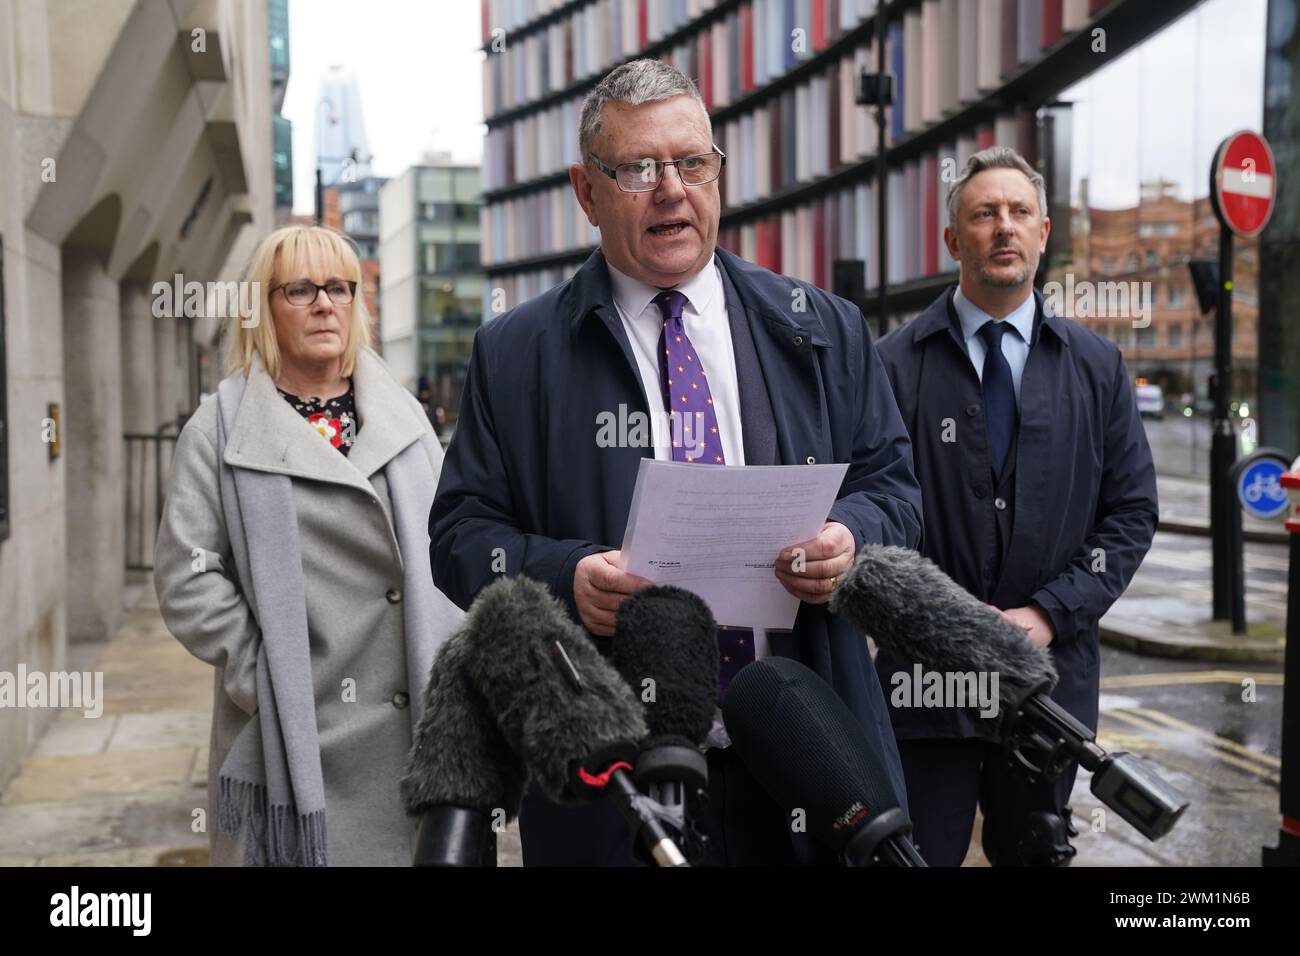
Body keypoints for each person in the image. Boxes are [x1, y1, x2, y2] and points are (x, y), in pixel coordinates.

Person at [429, 59, 922, 865]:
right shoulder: (515, 354)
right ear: (586, 191)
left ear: (717, 174)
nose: (671, 189)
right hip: (613, 783)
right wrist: (568, 576)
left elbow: (894, 490)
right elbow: (459, 536)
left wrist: (849, 538)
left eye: (692, 162)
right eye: (638, 168)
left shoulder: (821, 329)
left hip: (803, 759)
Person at [874, 147, 1158, 866]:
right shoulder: (892, 366)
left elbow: (1130, 513)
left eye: (1018, 212)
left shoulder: (1097, 368)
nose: (1003, 227)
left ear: (1043, 233)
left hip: (1048, 684)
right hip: (923, 687)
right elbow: (866, 505)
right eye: (983, 214)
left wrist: (1047, 614)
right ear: (953, 240)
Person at [155, 225, 462, 866]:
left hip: (410, 725)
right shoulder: (219, 428)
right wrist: (267, 675)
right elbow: (188, 577)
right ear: (264, 307)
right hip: (293, 731)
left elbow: (449, 546)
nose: (325, 304)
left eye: (339, 287)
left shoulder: (405, 416)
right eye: (300, 289)